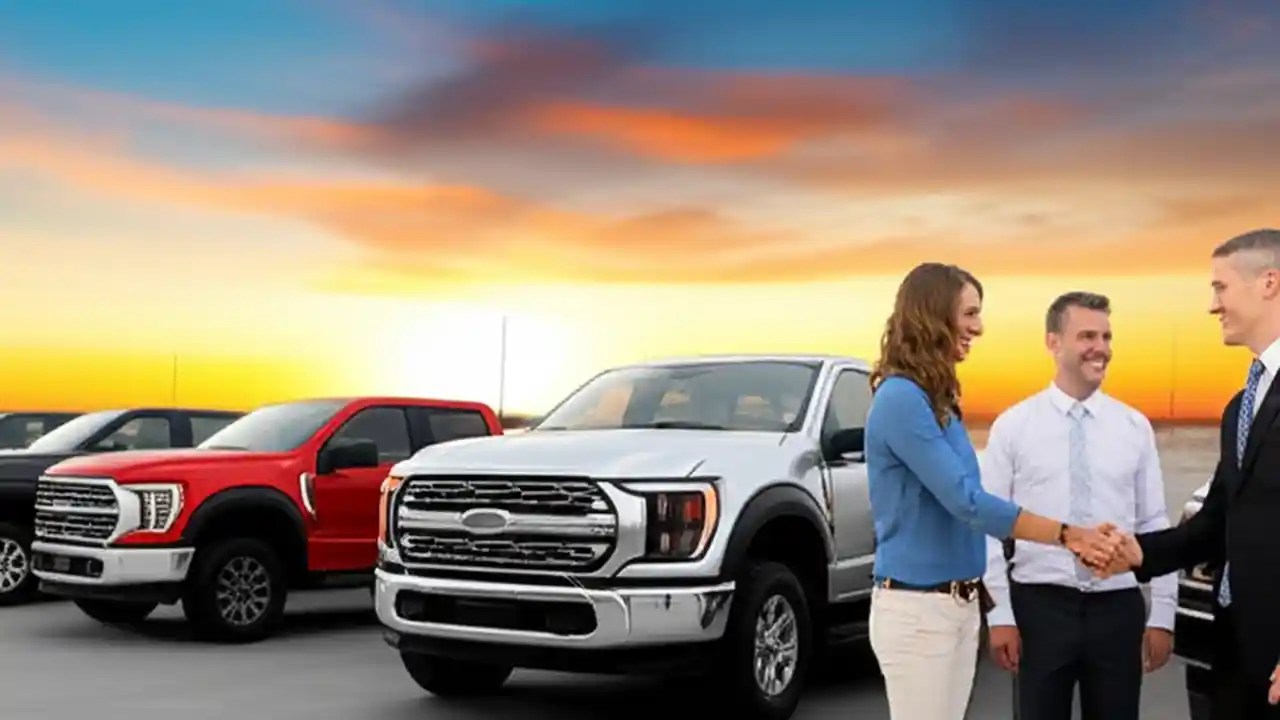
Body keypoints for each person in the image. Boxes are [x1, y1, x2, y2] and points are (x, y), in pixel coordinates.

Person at [864, 262, 1122, 720]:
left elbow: (975, 498)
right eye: (969, 313)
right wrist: (1067, 534)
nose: (978, 327)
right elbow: (967, 501)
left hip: (957, 607)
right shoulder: (901, 399)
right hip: (918, 614)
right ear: (933, 313)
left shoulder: (938, 400)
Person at [980, 291, 1177, 720]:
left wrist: (1163, 612)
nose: (1101, 348)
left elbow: (1154, 520)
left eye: (1107, 336)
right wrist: (1000, 615)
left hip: (1118, 609)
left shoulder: (1134, 426)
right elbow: (989, 526)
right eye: (1087, 335)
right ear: (1053, 342)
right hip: (1039, 607)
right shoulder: (1014, 426)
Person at [1109, 229, 1280, 718]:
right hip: (1231, 651)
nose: (1212, 304)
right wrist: (1139, 553)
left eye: (1221, 287)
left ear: (1269, 282)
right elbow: (1217, 520)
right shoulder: (1239, 408)